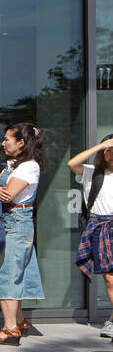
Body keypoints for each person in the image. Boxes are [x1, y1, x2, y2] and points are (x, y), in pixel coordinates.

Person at [0, 123, 46, 345]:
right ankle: (19, 321)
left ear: (21, 143)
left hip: (17, 221)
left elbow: (7, 194)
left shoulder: (29, 166)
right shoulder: (13, 165)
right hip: (12, 221)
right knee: (13, 271)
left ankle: (10, 330)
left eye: (7, 139)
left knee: (7, 273)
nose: (3, 142)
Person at [70, 134, 113, 338]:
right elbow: (72, 163)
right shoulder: (91, 173)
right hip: (101, 226)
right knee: (109, 278)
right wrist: (100, 146)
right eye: (109, 149)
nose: (111, 152)